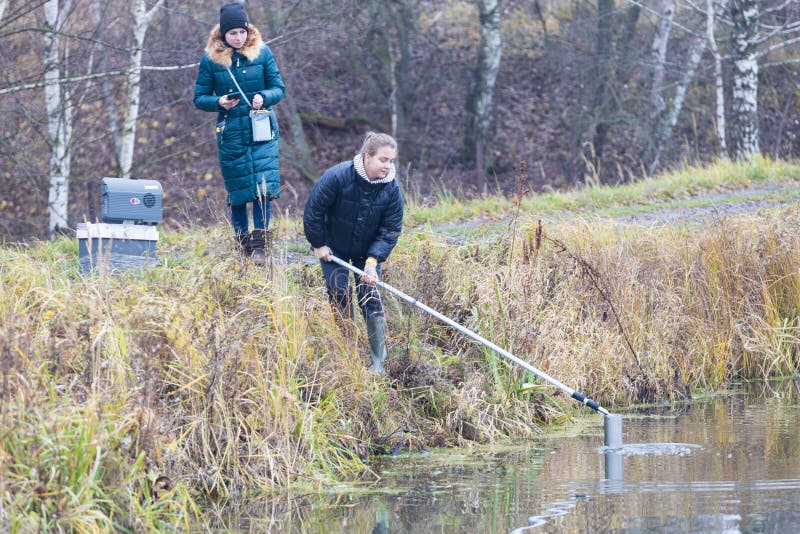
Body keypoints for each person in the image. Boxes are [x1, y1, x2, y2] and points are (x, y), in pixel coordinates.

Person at [303, 132, 404, 375]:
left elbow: (390, 230)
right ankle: (346, 352)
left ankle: (378, 361)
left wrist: (372, 262)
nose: (388, 166)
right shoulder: (337, 176)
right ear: (367, 156)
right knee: (339, 292)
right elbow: (313, 211)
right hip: (333, 247)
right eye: (383, 160)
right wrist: (318, 244)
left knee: (370, 296)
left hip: (366, 251)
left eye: (391, 161)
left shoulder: (391, 189)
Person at [193, 2, 285, 265]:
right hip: (231, 133)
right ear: (224, 34)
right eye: (232, 33)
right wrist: (218, 102)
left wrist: (263, 97)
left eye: (241, 32)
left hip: (262, 131)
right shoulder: (211, 60)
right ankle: (242, 246)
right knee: (238, 192)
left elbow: (278, 87)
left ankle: (262, 249)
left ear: (248, 30)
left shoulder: (263, 53)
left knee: (263, 189)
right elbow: (199, 98)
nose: (238, 37)